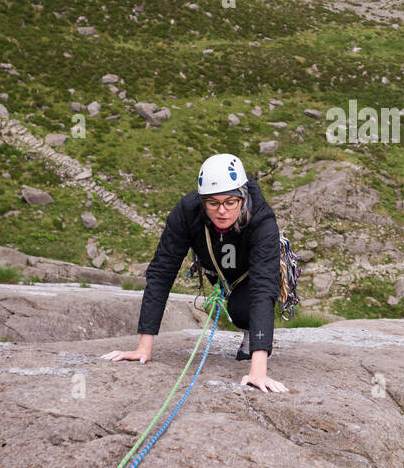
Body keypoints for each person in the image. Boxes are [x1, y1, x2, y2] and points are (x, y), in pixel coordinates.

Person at [102, 153, 288, 393]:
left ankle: (255, 336)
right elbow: (161, 272)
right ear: (202, 202)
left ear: (243, 197)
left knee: (244, 310)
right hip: (216, 264)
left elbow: (264, 286)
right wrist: (143, 347)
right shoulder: (187, 212)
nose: (222, 211)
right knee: (237, 302)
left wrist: (258, 371)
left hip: (250, 271)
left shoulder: (262, 219)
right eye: (213, 203)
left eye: (230, 202)